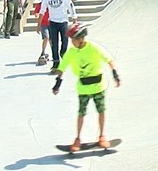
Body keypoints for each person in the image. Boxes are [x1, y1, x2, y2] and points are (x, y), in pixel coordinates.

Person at [51, 22, 121, 152]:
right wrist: (57, 83)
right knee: (81, 113)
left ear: (81, 38)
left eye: (73, 40)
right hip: (83, 88)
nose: (72, 42)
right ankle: (77, 139)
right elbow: (62, 67)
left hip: (98, 86)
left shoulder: (93, 47)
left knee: (101, 111)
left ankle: (102, 136)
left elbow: (109, 60)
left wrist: (115, 74)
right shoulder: (71, 52)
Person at [39, 0, 77, 71]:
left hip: (63, 21)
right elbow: (42, 11)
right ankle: (56, 63)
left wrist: (74, 18)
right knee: (54, 43)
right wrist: (39, 24)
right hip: (53, 22)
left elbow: (70, 6)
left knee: (65, 40)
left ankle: (63, 53)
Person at [33, 0, 51, 64]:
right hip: (43, 24)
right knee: (46, 37)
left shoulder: (49, 4)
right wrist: (37, 15)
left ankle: (54, 53)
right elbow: (36, 13)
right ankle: (43, 52)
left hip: (51, 23)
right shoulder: (39, 5)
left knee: (51, 40)